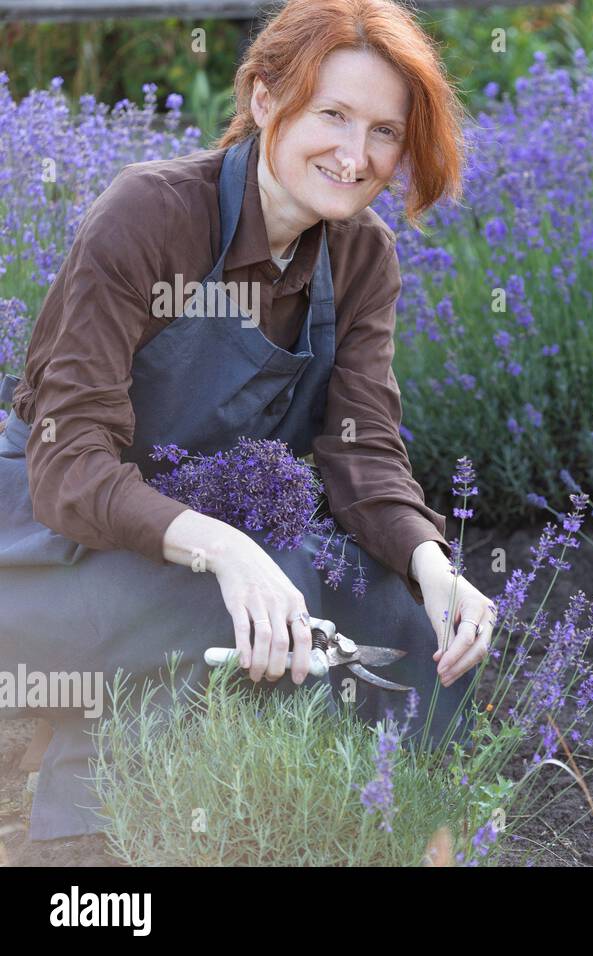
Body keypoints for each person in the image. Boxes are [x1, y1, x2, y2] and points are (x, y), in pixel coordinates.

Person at [0, 0, 496, 841]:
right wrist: (229, 550)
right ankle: (82, 842)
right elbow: (70, 459)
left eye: (383, 131)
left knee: (417, 632)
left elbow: (362, 447)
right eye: (331, 115)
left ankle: (379, 830)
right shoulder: (152, 214)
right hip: (49, 543)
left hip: (189, 550)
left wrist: (430, 565)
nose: (355, 155)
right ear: (266, 98)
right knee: (246, 606)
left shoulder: (362, 255)